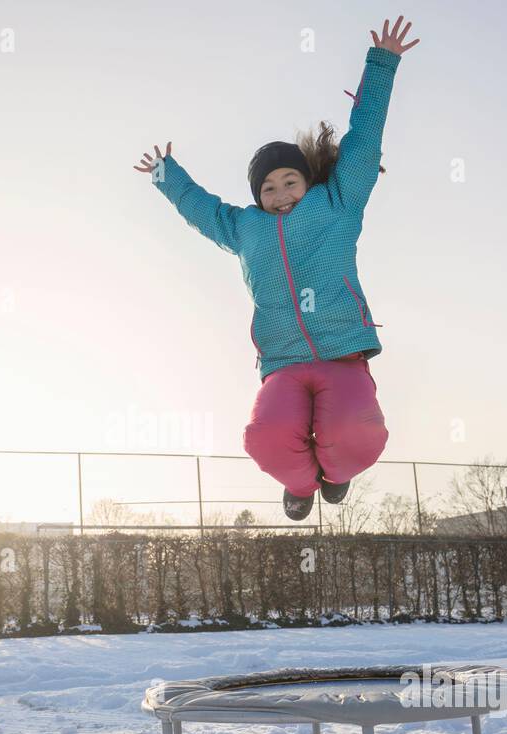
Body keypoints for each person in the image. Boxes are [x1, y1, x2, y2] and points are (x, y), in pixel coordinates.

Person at [135, 16, 419, 521]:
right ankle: (300, 484)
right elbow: (204, 210)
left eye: (290, 182)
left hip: (342, 354)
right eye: (268, 188)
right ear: (257, 197)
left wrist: (382, 65)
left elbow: (362, 141)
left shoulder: (338, 202)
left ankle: (337, 473)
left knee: (356, 431)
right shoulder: (246, 229)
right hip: (283, 363)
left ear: (308, 182)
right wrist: (167, 176)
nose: (281, 194)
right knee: (264, 435)